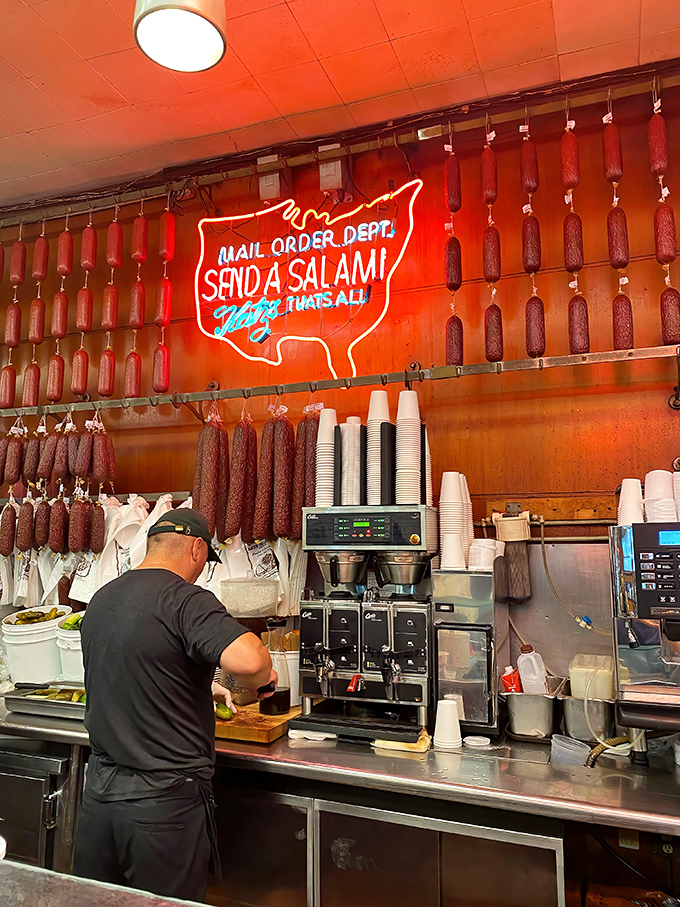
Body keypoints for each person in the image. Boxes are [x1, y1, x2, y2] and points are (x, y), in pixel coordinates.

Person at [73, 509, 275, 903]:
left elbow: (134, 665)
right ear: (198, 549)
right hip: (161, 810)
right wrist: (264, 677)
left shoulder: (102, 598)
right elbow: (251, 663)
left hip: (99, 801)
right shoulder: (184, 599)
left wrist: (199, 684)